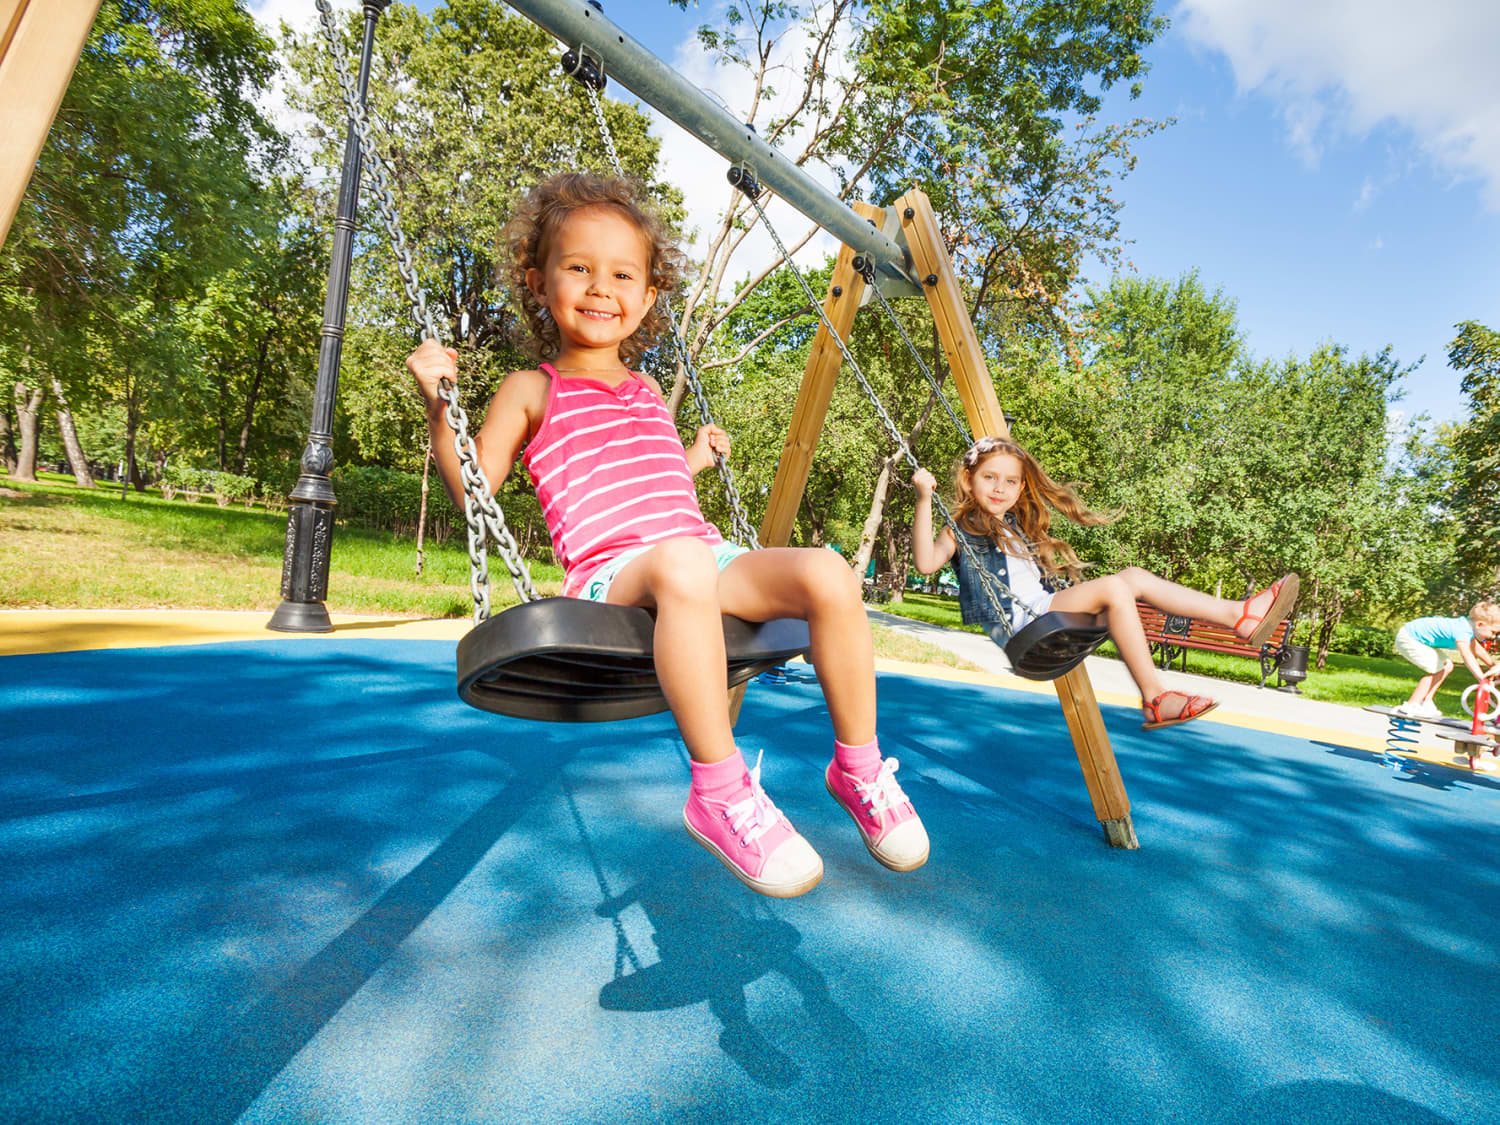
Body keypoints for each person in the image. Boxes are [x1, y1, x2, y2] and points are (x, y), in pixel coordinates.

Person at [407, 172, 927, 898]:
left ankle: (858, 766)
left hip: (695, 553)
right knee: (683, 560)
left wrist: (696, 458)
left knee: (827, 573)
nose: (600, 287)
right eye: (578, 268)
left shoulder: (649, 390)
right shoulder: (532, 389)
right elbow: (474, 492)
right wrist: (440, 410)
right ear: (539, 279)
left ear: (648, 296)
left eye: (622, 274)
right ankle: (718, 790)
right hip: (609, 574)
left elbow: (655, 483)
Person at [911, 435, 1300, 730]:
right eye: (990, 478)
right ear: (969, 478)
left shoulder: (1015, 524)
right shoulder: (961, 528)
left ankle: (1238, 615)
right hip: (1027, 628)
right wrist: (924, 499)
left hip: (1048, 614)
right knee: (1116, 587)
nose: (1000, 489)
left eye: (1011, 482)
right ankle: (1155, 696)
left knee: (1132, 577)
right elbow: (926, 563)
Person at [1392, 604, 1500, 718]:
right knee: (1437, 669)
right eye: (1492, 632)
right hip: (1409, 638)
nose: (1493, 637)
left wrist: (1492, 666)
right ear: (1480, 624)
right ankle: (1411, 704)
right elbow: (1467, 656)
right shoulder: (1462, 631)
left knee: (1447, 666)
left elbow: (1477, 649)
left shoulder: (1467, 628)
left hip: (1416, 638)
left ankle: (1426, 701)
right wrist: (1482, 678)